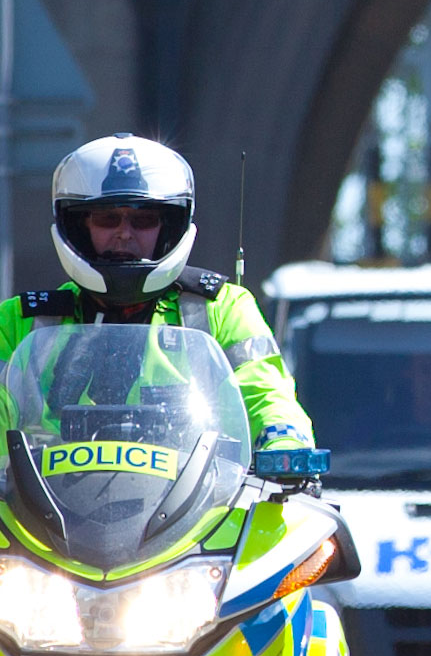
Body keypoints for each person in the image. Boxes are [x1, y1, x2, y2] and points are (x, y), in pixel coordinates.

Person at [0, 133, 313, 453]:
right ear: (79, 226)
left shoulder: (220, 309)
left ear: (168, 226)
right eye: (107, 219)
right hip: (42, 501)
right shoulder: (20, 322)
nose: (124, 233)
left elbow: (266, 393)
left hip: (197, 501)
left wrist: (283, 440)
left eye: (144, 219)